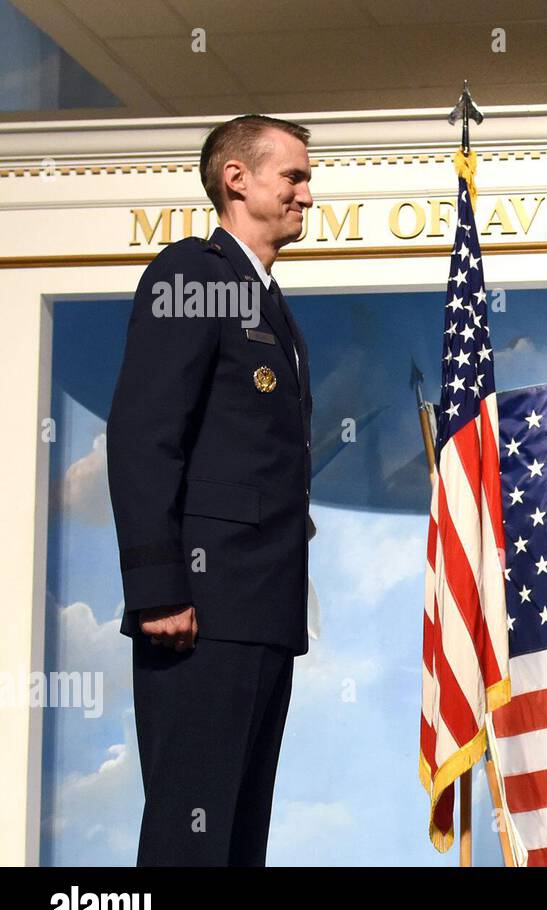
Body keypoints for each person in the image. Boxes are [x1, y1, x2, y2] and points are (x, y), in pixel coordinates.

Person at [106, 114, 315, 866]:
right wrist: (158, 586)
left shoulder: (266, 301)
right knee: (189, 838)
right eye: (292, 176)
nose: (306, 194)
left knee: (235, 840)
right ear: (237, 179)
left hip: (260, 612)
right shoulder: (193, 275)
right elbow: (143, 434)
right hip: (199, 609)